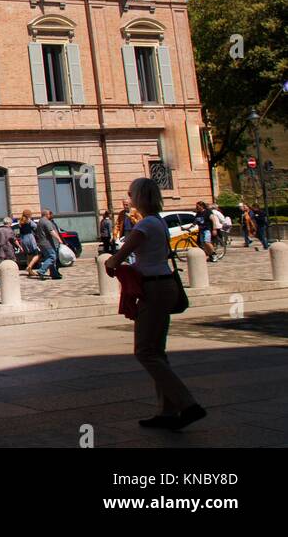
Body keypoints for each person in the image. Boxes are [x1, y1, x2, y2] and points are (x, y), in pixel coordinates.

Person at [105, 176, 206, 431]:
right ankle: (167, 411)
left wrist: (112, 264)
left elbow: (117, 257)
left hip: (154, 289)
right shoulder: (159, 222)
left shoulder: (144, 226)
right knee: (157, 351)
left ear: (139, 196)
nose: (129, 198)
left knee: (145, 351)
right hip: (166, 285)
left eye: (130, 193)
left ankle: (187, 403)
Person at [33, 209, 63, 280]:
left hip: (42, 243)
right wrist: (59, 238)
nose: (51, 215)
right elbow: (51, 231)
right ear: (47, 214)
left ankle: (54, 273)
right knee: (52, 257)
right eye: (50, 214)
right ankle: (41, 271)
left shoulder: (40, 221)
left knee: (48, 258)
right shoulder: (46, 222)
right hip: (47, 243)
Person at [17, 210, 40, 274]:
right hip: (30, 238)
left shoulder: (20, 221)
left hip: (23, 239)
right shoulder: (29, 221)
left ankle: (30, 271)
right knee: (37, 254)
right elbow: (36, 227)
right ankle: (29, 266)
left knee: (29, 255)